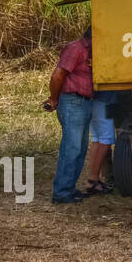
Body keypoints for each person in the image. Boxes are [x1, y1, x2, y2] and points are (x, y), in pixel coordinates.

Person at [42, 26, 94, 204]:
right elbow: (58, 75)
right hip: (72, 102)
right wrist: (54, 99)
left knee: (80, 149)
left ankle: (68, 189)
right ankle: (62, 192)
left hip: (85, 102)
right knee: (71, 148)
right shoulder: (76, 49)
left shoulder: (90, 51)